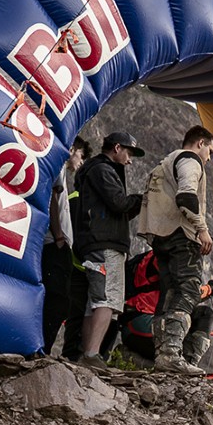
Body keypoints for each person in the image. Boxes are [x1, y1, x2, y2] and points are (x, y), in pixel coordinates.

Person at [137, 125, 213, 375]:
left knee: (169, 292)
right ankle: (173, 355)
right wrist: (201, 229)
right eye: (210, 151)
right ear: (200, 143)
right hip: (182, 235)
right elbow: (186, 196)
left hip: (160, 236)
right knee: (189, 289)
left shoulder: (162, 165)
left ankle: (164, 354)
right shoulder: (190, 160)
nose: (209, 158)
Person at [72, 131, 145, 367]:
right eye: (129, 153)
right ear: (116, 148)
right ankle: (92, 355)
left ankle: (87, 353)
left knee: (94, 301)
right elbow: (119, 203)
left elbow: (118, 207)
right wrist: (144, 200)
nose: (130, 160)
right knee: (107, 299)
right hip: (106, 243)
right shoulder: (103, 170)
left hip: (93, 242)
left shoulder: (92, 171)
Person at [118, 247, 213, 369]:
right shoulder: (166, 258)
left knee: (204, 313)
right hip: (141, 321)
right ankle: (173, 364)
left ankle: (187, 364)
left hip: (140, 322)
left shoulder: (157, 255)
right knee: (183, 323)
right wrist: (209, 289)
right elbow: (186, 291)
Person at [40, 137, 90, 358]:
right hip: (55, 243)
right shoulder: (58, 165)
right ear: (73, 150)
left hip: (56, 242)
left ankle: (43, 348)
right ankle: (42, 348)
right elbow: (53, 197)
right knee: (58, 299)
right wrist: (59, 235)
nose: (81, 162)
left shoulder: (59, 167)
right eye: (81, 156)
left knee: (59, 300)